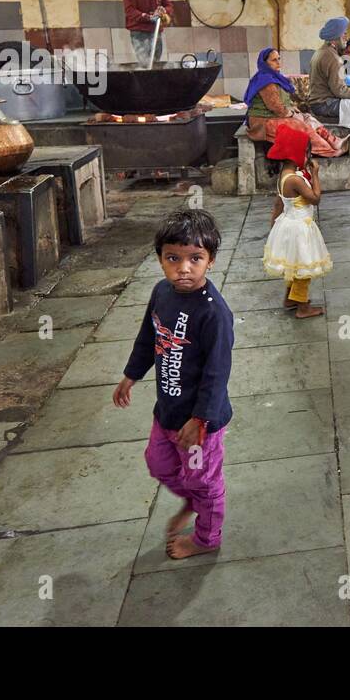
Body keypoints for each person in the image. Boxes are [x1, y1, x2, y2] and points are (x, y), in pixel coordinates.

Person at [114, 209, 233, 559]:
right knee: (159, 463)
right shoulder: (161, 293)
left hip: (199, 424)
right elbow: (146, 339)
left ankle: (206, 538)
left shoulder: (214, 313)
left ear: (210, 261)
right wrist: (131, 375)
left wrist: (200, 420)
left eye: (195, 258)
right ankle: (192, 500)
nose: (184, 267)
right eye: (173, 258)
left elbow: (217, 373)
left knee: (204, 481)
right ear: (160, 260)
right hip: (166, 411)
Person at [262, 126, 332, 319]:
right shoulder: (294, 180)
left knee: (294, 264)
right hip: (300, 228)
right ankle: (302, 307)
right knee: (304, 267)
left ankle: (290, 298)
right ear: (295, 154)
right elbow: (316, 199)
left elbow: (277, 205)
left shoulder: (284, 176)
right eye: (306, 152)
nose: (308, 156)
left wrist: (273, 228)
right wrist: (316, 174)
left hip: (288, 224)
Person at [243, 47, 347, 157]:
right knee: (301, 126)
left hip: (274, 116)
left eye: (279, 59)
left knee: (308, 118)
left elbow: (283, 102)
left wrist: (293, 110)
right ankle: (328, 151)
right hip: (262, 122)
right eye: (274, 60)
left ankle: (334, 141)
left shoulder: (274, 77)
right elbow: (276, 107)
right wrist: (292, 114)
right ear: (264, 63)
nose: (278, 63)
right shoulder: (265, 80)